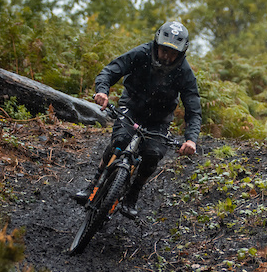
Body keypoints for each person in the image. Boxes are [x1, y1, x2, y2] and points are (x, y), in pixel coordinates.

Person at [73, 21, 202, 218]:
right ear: (156, 45)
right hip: (131, 107)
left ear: (181, 53)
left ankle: (133, 194)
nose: (167, 57)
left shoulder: (184, 72)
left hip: (159, 119)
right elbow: (111, 70)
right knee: (120, 140)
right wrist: (102, 91)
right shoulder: (141, 53)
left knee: (153, 154)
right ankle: (94, 183)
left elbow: (193, 109)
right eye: (164, 50)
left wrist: (191, 139)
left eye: (172, 53)